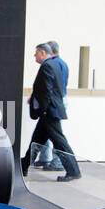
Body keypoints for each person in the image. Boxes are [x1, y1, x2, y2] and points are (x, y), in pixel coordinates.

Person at [22, 42, 80, 181]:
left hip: (49, 112)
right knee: (37, 140)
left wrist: (44, 109)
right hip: (50, 111)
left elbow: (47, 91)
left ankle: (73, 171)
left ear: (42, 53)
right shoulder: (55, 64)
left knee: (60, 142)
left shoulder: (47, 66)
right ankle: (23, 166)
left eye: (36, 53)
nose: (34, 56)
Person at [32, 41, 70, 170]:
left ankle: (57, 162)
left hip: (52, 103)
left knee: (55, 136)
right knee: (47, 134)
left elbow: (49, 88)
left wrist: (44, 107)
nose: (35, 56)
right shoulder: (61, 64)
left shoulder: (51, 65)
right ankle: (40, 159)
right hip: (57, 101)